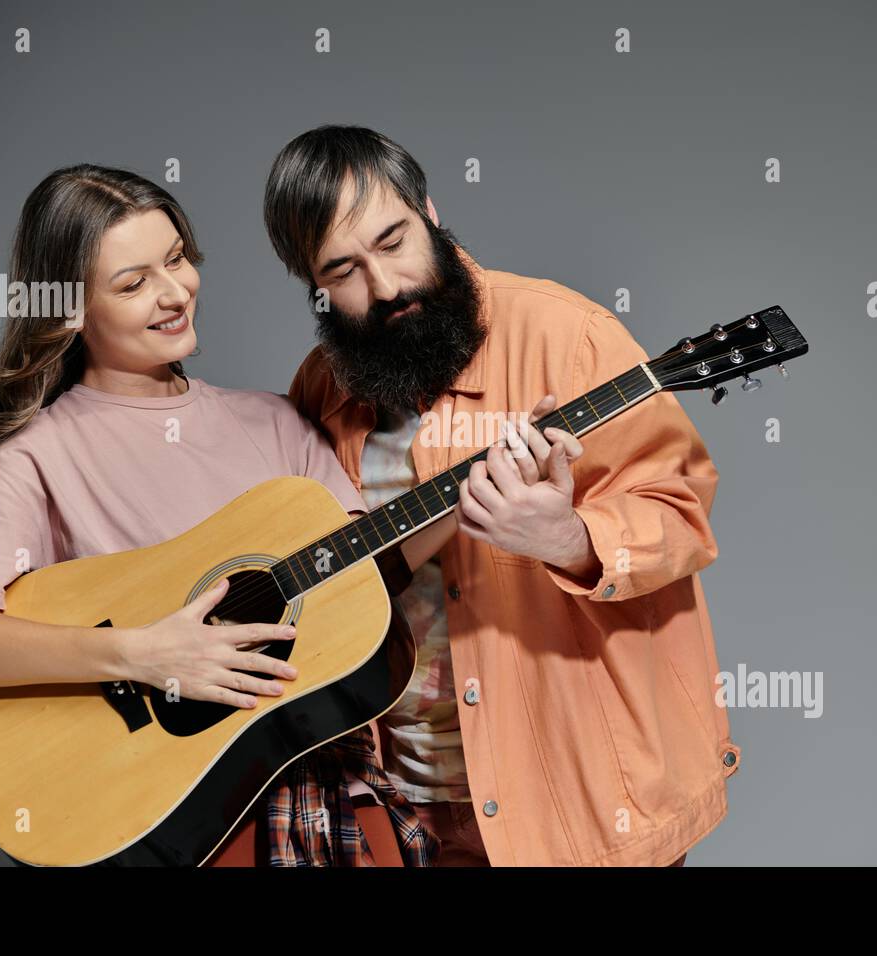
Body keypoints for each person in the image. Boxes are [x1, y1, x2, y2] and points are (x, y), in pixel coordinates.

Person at [0, 163, 452, 866]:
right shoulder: (40, 457)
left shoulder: (274, 422)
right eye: (132, 284)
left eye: (176, 261)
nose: (173, 294)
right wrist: (138, 653)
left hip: (327, 799)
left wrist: (475, 495)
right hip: (194, 824)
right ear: (71, 310)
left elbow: (363, 573)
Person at [264, 125, 743, 866]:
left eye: (394, 241)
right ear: (314, 286)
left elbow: (678, 515)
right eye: (344, 270)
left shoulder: (570, 335)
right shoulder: (321, 389)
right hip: (403, 807)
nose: (385, 286)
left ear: (428, 210)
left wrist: (569, 539)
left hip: (578, 802)